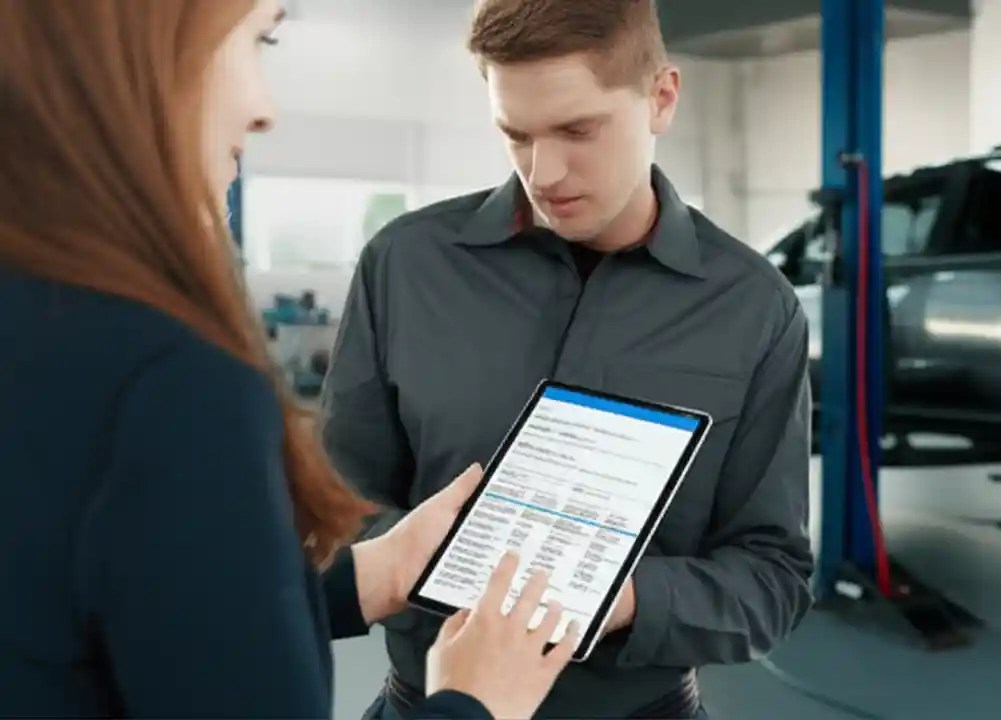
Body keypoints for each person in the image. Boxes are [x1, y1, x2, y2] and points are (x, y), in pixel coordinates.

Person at [0, 1, 578, 718]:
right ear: (139, 56)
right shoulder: (168, 387)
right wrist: (477, 701)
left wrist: (374, 574)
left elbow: (136, 619)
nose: (264, 108)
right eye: (259, 40)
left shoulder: (44, 332)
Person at [321, 0, 816, 717]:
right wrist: (429, 564)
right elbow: (335, 508)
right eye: (514, 134)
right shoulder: (405, 264)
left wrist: (622, 599)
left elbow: (770, 579)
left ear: (662, 98)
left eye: (577, 130)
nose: (543, 171)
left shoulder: (754, 308)